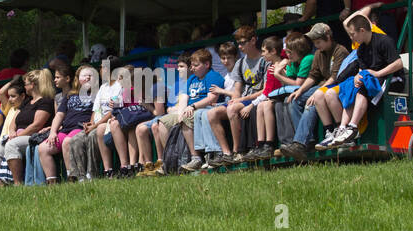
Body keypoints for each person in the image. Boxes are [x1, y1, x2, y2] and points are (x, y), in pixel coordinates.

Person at [318, 14, 403, 148]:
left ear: (362, 31)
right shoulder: (361, 49)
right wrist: (358, 77)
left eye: (352, 35)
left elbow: (398, 64)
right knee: (351, 87)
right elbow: (363, 69)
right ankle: (343, 128)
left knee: (362, 88)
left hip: (391, 79)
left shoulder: (384, 41)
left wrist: (377, 73)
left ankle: (352, 127)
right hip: (373, 79)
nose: (351, 38)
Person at [136, 49, 224, 175]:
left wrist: (192, 107)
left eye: (195, 65)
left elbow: (212, 98)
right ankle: (171, 160)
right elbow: (184, 97)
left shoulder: (213, 76)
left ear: (207, 64)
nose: (192, 68)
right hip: (188, 110)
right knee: (162, 122)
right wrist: (182, 112)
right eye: (192, 65)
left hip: (202, 109)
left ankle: (195, 158)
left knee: (187, 118)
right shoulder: (192, 79)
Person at [276, 23, 352, 161]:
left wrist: (319, 90)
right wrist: (300, 91)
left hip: (337, 86)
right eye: (315, 43)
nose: (316, 46)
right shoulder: (318, 53)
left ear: (328, 38)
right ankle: (308, 140)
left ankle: (300, 143)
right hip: (321, 86)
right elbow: (313, 76)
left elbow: (335, 77)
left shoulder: (340, 51)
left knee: (312, 102)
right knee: (295, 100)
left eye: (319, 42)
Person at [206, 25, 266, 163]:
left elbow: (265, 89)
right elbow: (237, 90)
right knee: (212, 113)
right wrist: (235, 99)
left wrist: (239, 101)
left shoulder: (264, 60)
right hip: (243, 99)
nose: (239, 46)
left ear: (253, 40)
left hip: (259, 98)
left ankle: (237, 151)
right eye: (238, 43)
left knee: (232, 108)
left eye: (243, 42)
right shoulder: (240, 63)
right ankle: (226, 153)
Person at [0, 70, 54, 186]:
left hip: (34, 136)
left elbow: (36, 125)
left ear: (33, 85)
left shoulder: (45, 102)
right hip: (16, 136)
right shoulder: (27, 102)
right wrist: (12, 132)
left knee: (12, 145)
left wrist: (17, 136)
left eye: (26, 83)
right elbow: (13, 122)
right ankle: (2, 186)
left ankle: (18, 183)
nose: (24, 86)